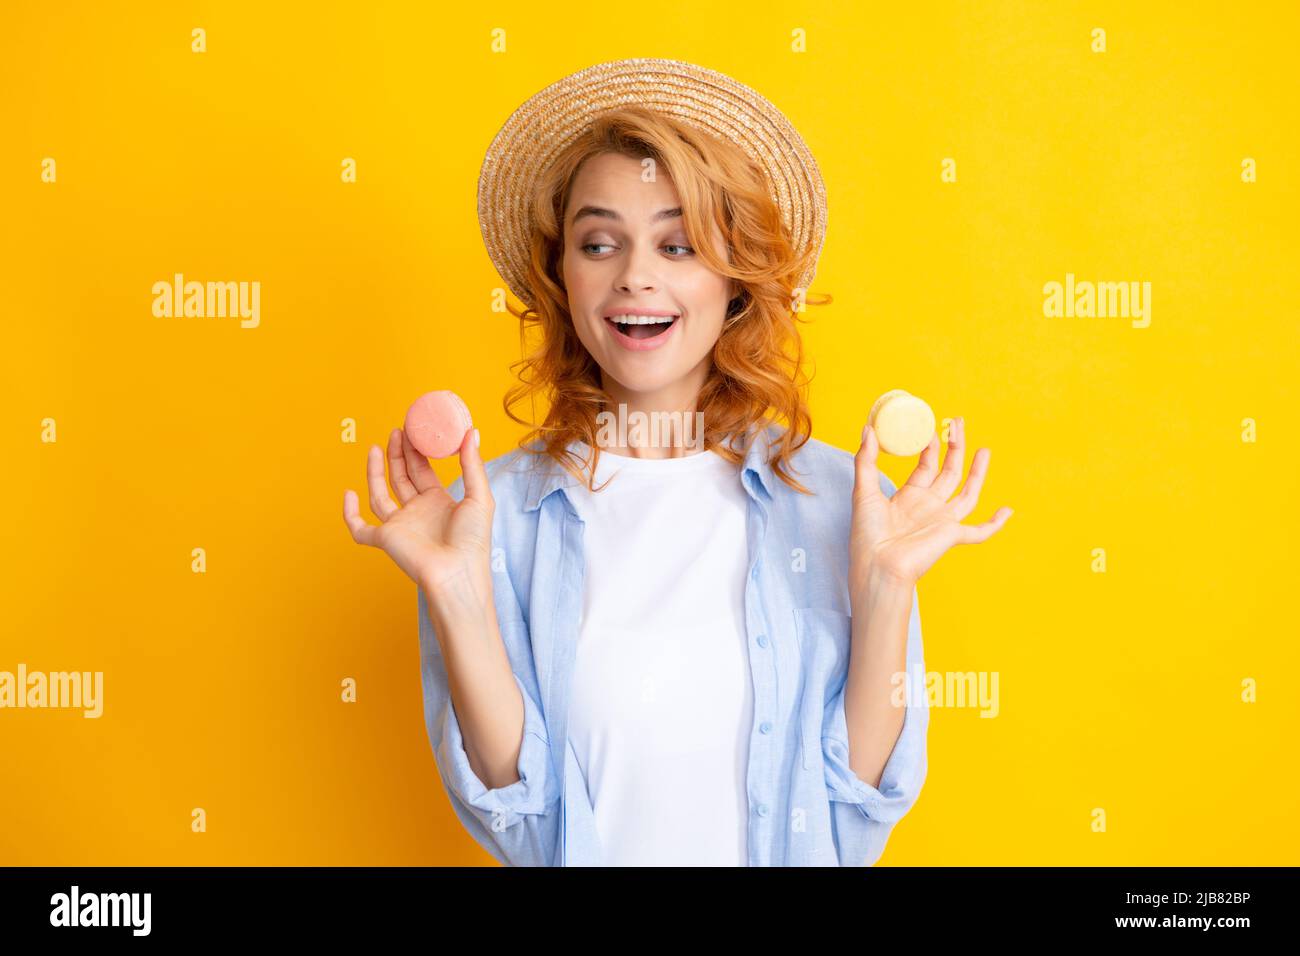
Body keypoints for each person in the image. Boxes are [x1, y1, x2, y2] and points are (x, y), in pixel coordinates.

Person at [342, 59, 1013, 866]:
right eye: (599, 242)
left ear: (734, 281)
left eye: (679, 244)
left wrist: (884, 588)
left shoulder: (840, 500)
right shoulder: (491, 517)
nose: (635, 276)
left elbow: (855, 810)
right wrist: (454, 591)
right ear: (564, 276)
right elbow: (518, 817)